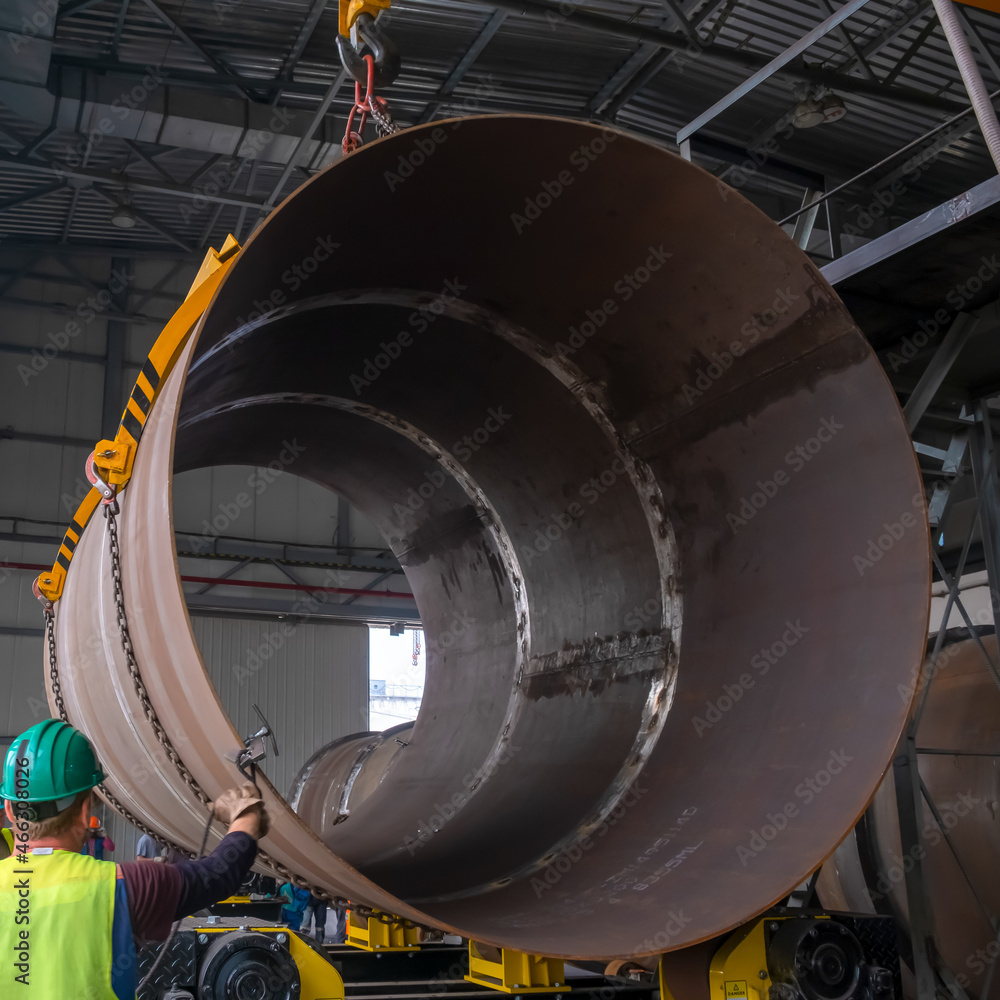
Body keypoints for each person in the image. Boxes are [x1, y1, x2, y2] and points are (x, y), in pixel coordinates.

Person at [0, 719, 270, 999]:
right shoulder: (125, 886)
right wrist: (246, 814)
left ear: (9, 809)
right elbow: (218, 874)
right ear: (84, 812)